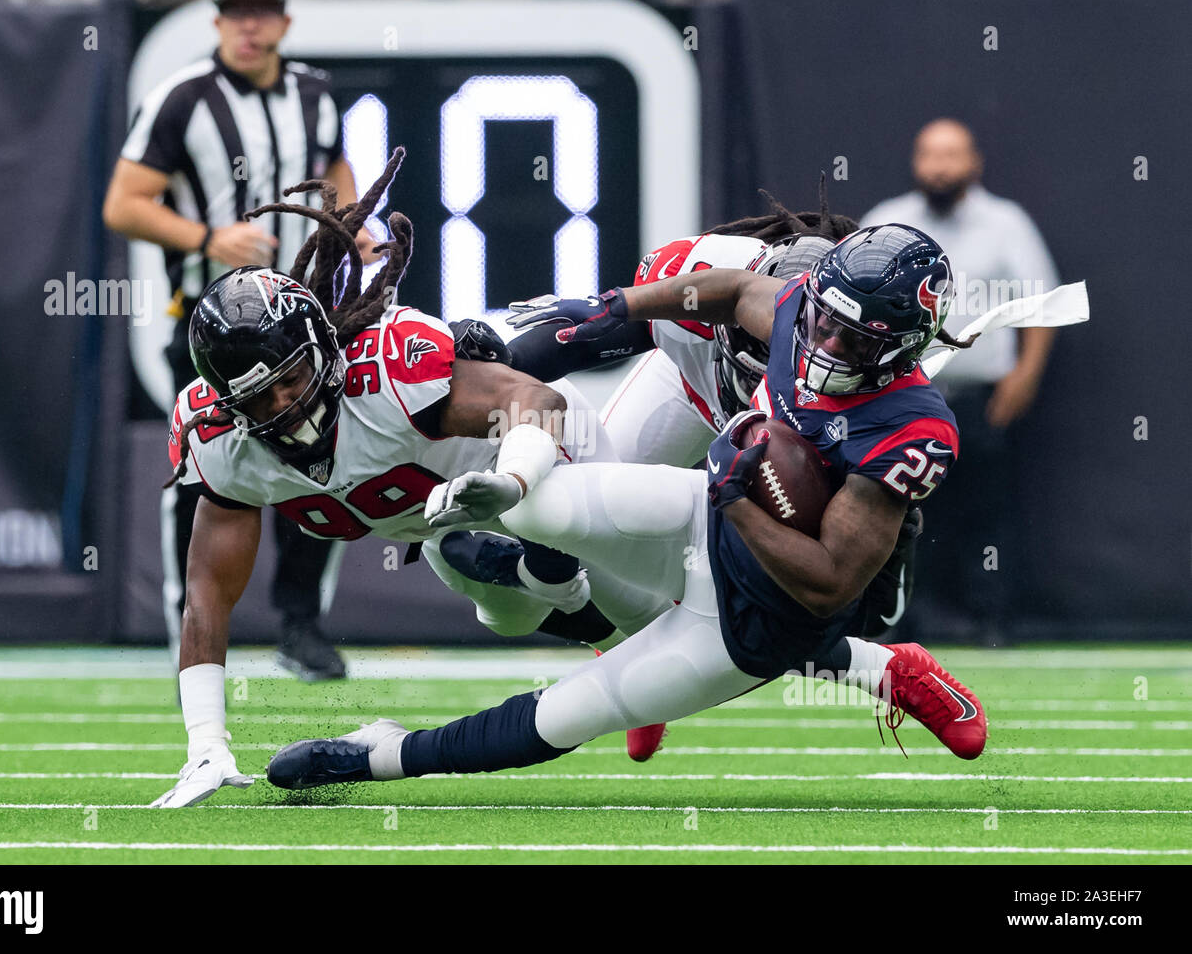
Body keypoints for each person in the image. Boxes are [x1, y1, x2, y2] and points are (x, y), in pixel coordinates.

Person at [265, 224, 989, 792]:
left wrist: (737, 494)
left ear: (901, 347)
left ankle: (377, 754)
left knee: (561, 719)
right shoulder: (801, 303)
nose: (824, 343)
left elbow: (827, 579)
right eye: (824, 321)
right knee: (535, 502)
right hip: (701, 515)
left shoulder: (910, 427)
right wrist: (612, 309)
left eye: (852, 340)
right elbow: (738, 291)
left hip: (758, 618)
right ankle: (546, 579)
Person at [148, 151, 657, 808]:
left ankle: (581, 595)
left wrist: (516, 482)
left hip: (544, 460)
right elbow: (207, 595)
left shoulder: (389, 375)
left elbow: (540, 403)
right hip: (446, 520)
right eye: (258, 400)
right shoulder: (226, 446)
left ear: (324, 350)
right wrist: (205, 743)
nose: (285, 408)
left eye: (293, 381)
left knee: (629, 595)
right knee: (510, 614)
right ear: (226, 405)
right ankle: (569, 605)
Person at [102, 0, 377, 679]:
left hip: (304, 320)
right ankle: (188, 638)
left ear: (284, 22)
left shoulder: (313, 93)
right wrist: (208, 237)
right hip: (211, 326)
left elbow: (332, 166)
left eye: (260, 13)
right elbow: (124, 203)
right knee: (202, 474)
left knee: (321, 456)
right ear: (217, 22)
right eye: (235, 13)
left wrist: (347, 223)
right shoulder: (182, 98)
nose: (247, 27)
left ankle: (301, 624)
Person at [860, 118, 1060, 640]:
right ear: (915, 161)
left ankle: (988, 622)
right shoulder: (888, 222)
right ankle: (896, 621)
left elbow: (1040, 304)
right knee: (895, 508)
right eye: (930, 154)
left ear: (974, 162)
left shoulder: (1005, 223)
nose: (940, 166)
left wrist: (1025, 375)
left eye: (952, 155)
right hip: (903, 396)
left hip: (979, 399)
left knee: (986, 513)